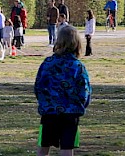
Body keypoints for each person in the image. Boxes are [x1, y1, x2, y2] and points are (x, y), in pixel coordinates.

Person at [35, 24, 91, 156]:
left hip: (49, 111)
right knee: (67, 147)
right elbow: (84, 90)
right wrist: (82, 105)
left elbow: (39, 86)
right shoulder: (78, 66)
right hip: (70, 113)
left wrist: (44, 103)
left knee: (44, 145)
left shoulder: (47, 63)